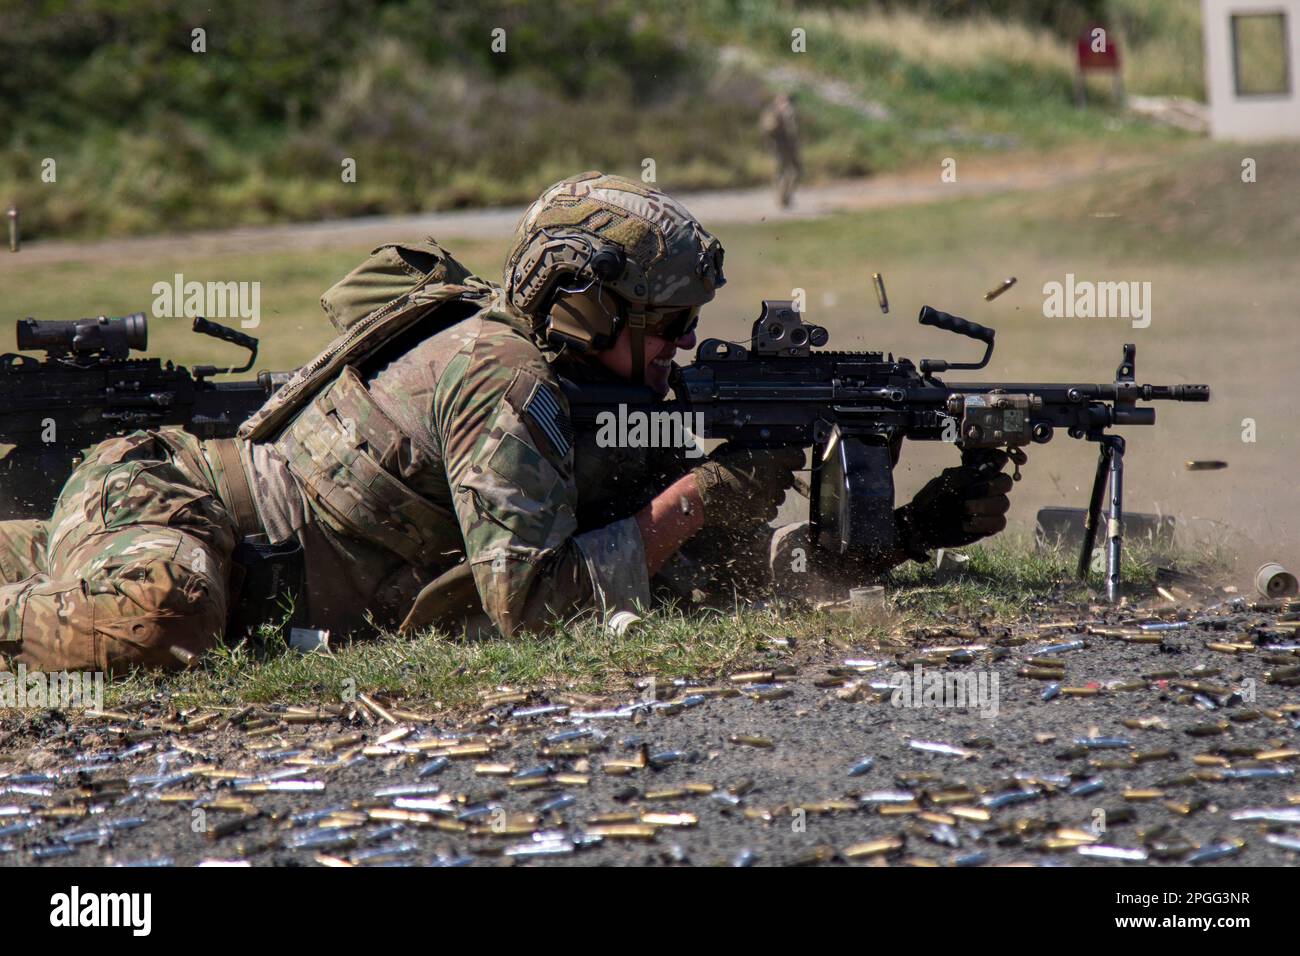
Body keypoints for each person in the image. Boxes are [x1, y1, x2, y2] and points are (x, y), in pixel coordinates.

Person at [0, 172, 1016, 674]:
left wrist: (908, 534)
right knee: (167, 614)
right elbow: (528, 609)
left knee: (147, 596)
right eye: (667, 323)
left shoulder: (606, 396)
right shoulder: (504, 373)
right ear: (587, 305)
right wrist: (699, 494)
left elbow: (718, 584)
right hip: (178, 507)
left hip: (238, 568)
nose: (683, 344)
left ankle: (33, 563)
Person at [760, 93, 802, 208]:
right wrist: (781, 116)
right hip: (779, 147)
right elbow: (769, 130)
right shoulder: (773, 113)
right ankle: (782, 198)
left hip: (790, 146)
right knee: (783, 171)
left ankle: (786, 197)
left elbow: (794, 131)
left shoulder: (789, 114)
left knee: (796, 171)